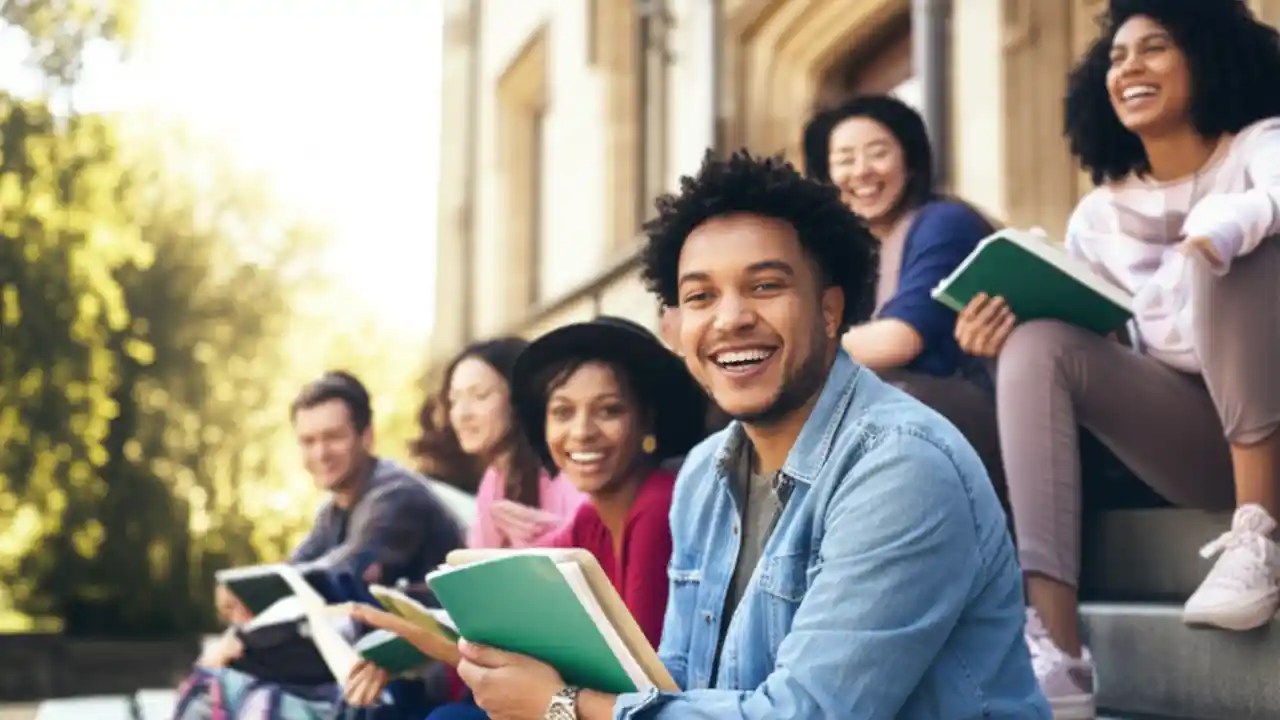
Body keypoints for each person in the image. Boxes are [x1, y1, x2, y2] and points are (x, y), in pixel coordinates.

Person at [423, 151, 1047, 719]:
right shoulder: (703, 472)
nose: (731, 319)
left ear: (830, 311)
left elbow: (809, 713)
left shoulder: (900, 466)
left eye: (765, 285)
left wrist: (564, 707)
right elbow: (677, 682)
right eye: (701, 296)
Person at [954, 0, 1280, 714]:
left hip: (1272, 418)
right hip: (1197, 443)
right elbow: (1112, 352)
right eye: (1117, 57)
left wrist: (1226, 227)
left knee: (1230, 250)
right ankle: (1058, 649)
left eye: (1154, 47)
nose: (1128, 66)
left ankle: (1258, 537)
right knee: (1037, 341)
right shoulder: (1096, 218)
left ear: (1208, 56)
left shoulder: (1262, 146)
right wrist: (1000, 344)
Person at [344, 318, 707, 717]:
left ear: (646, 419)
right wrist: (411, 641)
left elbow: (640, 680)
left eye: (609, 410)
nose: (582, 432)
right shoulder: (589, 517)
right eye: (563, 412)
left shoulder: (656, 506)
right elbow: (502, 606)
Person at [194, 371, 465, 715]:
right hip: (373, 663)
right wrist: (244, 596)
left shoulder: (397, 496)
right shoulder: (333, 511)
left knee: (241, 680)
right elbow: (294, 572)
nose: (320, 452)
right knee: (230, 679)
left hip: (432, 676)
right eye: (308, 441)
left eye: (333, 437)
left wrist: (244, 637)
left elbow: (340, 577)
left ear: (366, 436)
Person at [802, 94, 1005, 491]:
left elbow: (899, 340)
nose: (861, 171)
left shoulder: (943, 223)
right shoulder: (847, 251)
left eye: (877, 153)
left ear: (909, 162)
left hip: (964, 410)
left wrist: (789, 347)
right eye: (844, 160)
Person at [444, 338, 587, 549]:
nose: (462, 414)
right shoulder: (494, 479)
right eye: (454, 400)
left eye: (480, 396)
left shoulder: (566, 470)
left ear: (519, 397)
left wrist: (550, 537)